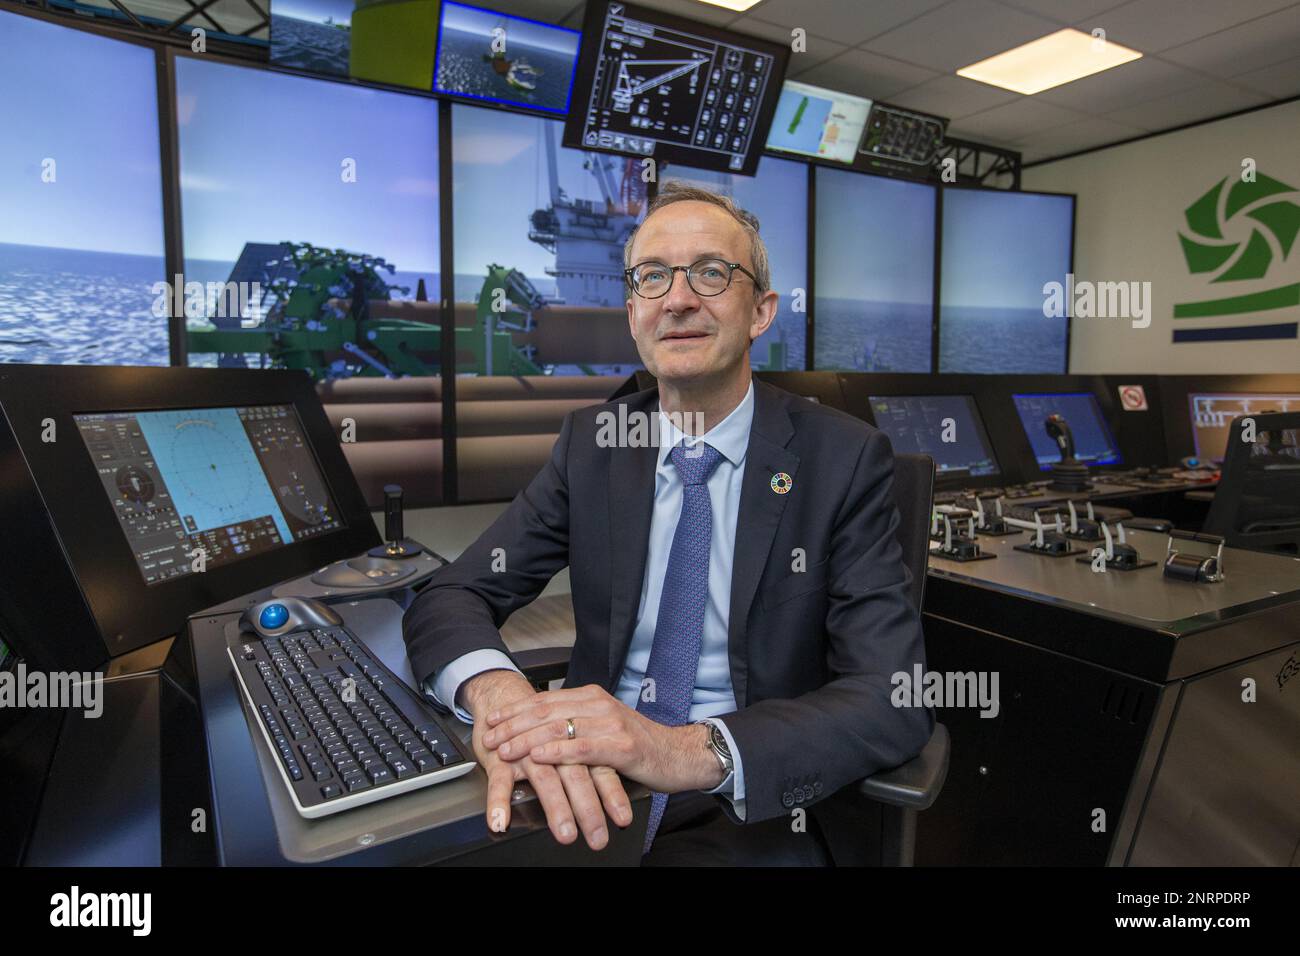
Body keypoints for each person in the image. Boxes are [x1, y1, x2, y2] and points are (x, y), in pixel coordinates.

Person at [402, 181, 931, 864]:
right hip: (585, 774)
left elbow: (893, 696)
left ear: (761, 311)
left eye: (712, 272)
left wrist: (681, 749)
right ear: (633, 313)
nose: (678, 299)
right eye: (653, 277)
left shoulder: (845, 460)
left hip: (744, 795)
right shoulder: (594, 445)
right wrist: (504, 703)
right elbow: (453, 594)